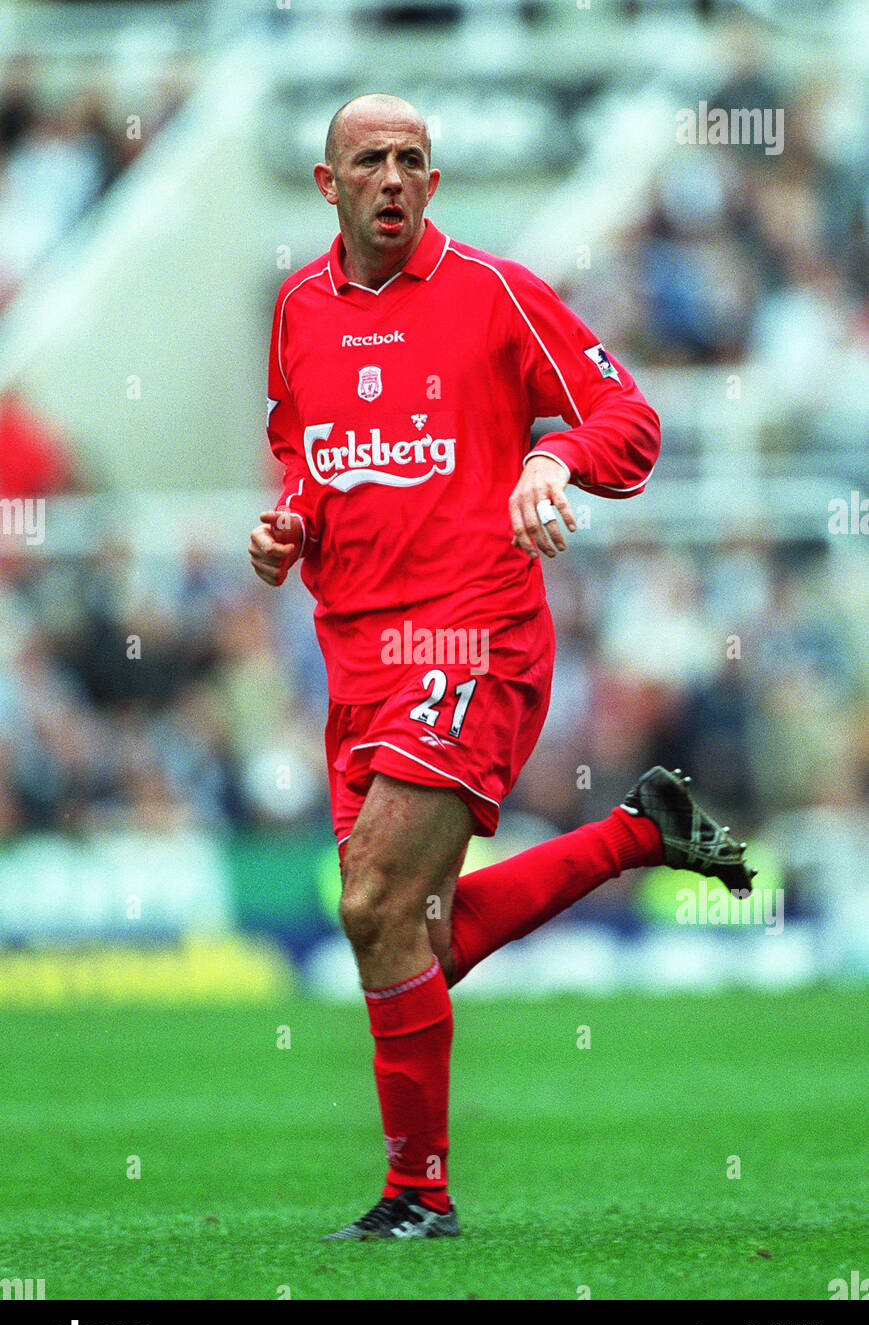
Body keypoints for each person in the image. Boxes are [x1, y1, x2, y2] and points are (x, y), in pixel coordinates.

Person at [249, 93, 754, 1241]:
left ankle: (418, 1198)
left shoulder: (494, 294)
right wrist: (286, 523)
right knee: (406, 936)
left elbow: (627, 416)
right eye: (369, 159)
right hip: (358, 655)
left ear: (433, 184)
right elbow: (300, 448)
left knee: (373, 899)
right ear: (326, 186)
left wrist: (552, 459)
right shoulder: (294, 311)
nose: (392, 176)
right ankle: (640, 830)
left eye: (412, 160)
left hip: (471, 635)